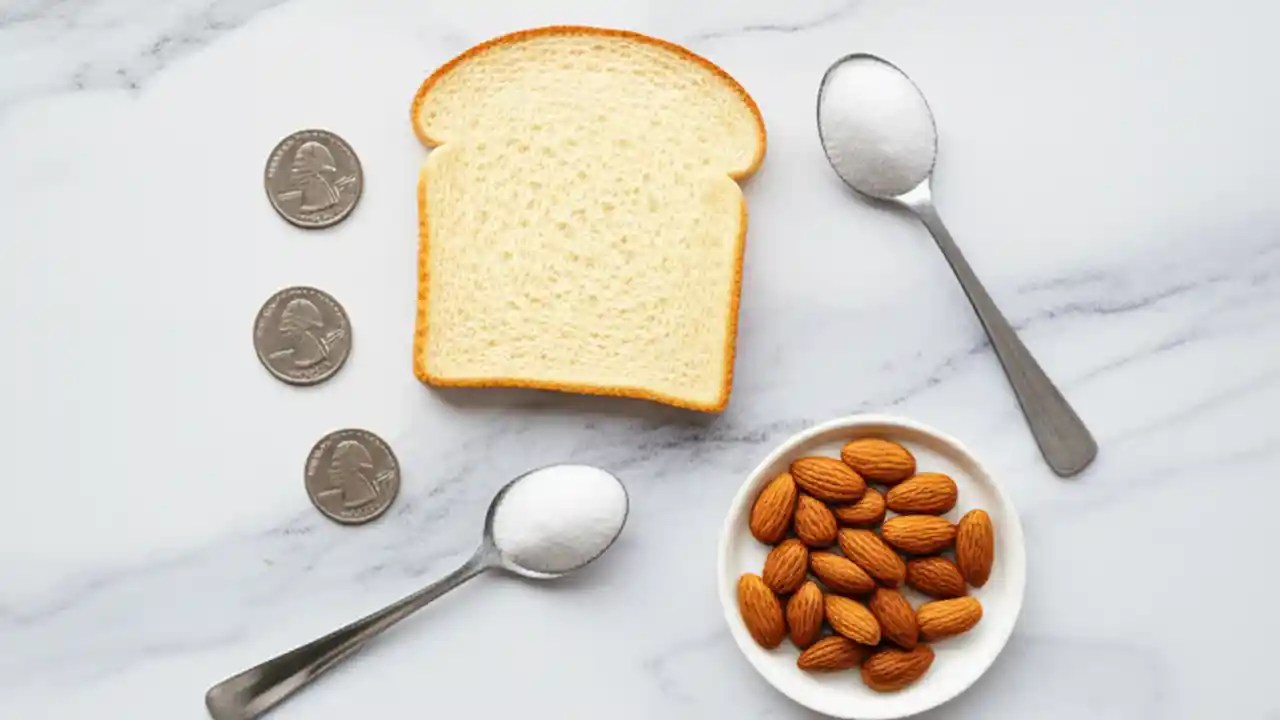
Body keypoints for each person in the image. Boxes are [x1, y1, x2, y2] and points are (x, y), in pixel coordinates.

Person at [317, 440, 378, 509]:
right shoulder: (326, 498)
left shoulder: (365, 496)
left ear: (353, 467)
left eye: (336, 467)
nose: (330, 472)